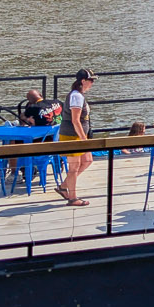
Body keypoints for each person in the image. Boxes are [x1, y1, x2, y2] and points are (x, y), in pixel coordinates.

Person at [57, 69, 95, 206]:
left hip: (79, 135)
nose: (92, 83)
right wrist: (84, 139)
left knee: (87, 160)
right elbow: (75, 120)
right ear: (83, 81)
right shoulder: (76, 96)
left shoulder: (79, 95)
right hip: (71, 136)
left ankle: (63, 186)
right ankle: (72, 197)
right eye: (91, 80)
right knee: (74, 166)